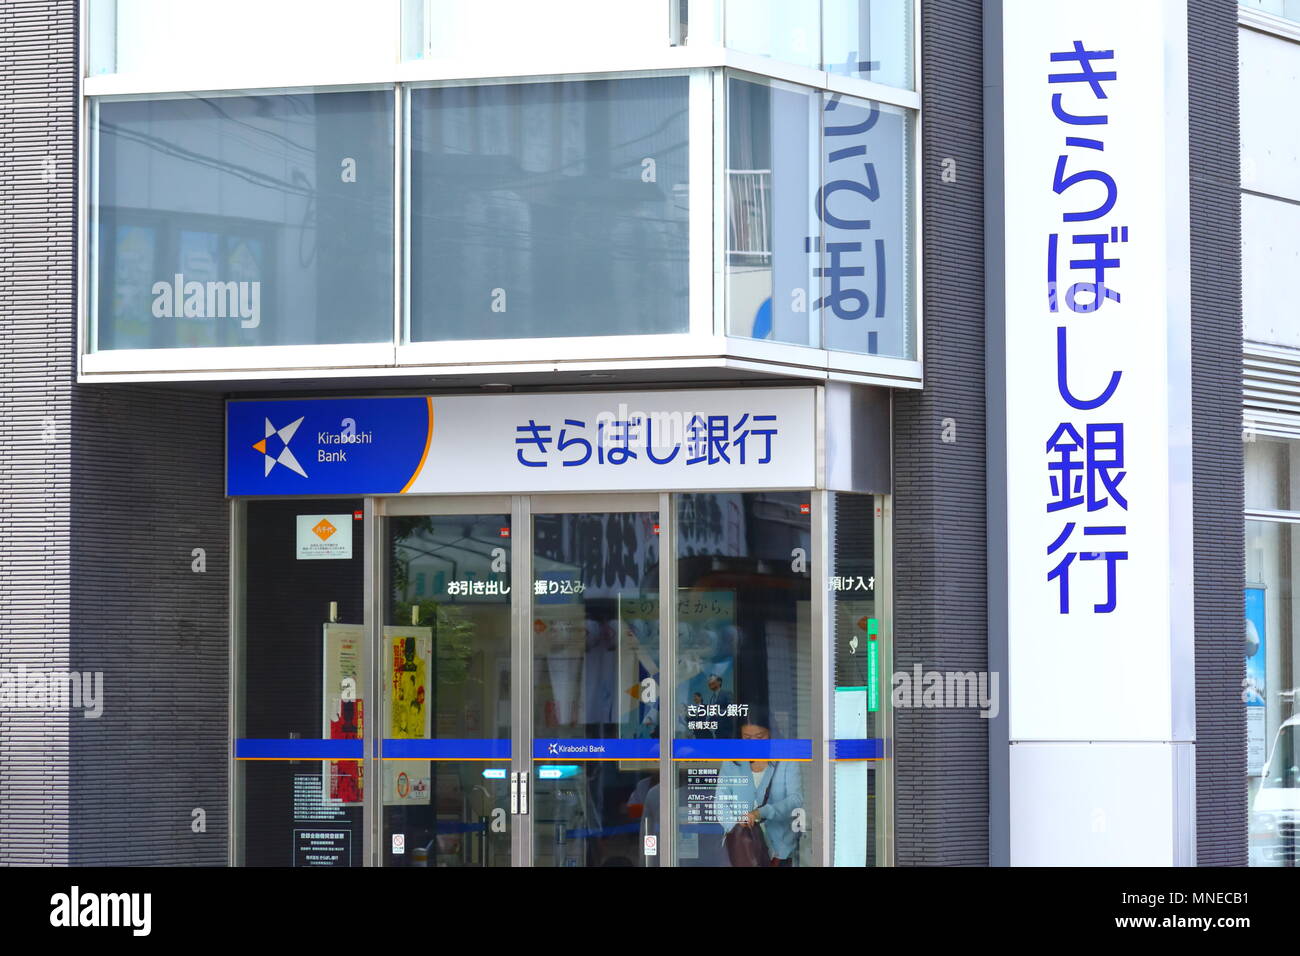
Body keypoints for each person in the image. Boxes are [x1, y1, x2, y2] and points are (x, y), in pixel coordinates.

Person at [712, 708, 804, 866]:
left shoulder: (787, 759)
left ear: (771, 734)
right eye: (747, 738)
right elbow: (720, 803)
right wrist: (735, 823)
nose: (753, 743)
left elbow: (796, 800)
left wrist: (762, 812)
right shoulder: (732, 762)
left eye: (760, 737)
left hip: (779, 852)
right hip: (743, 850)